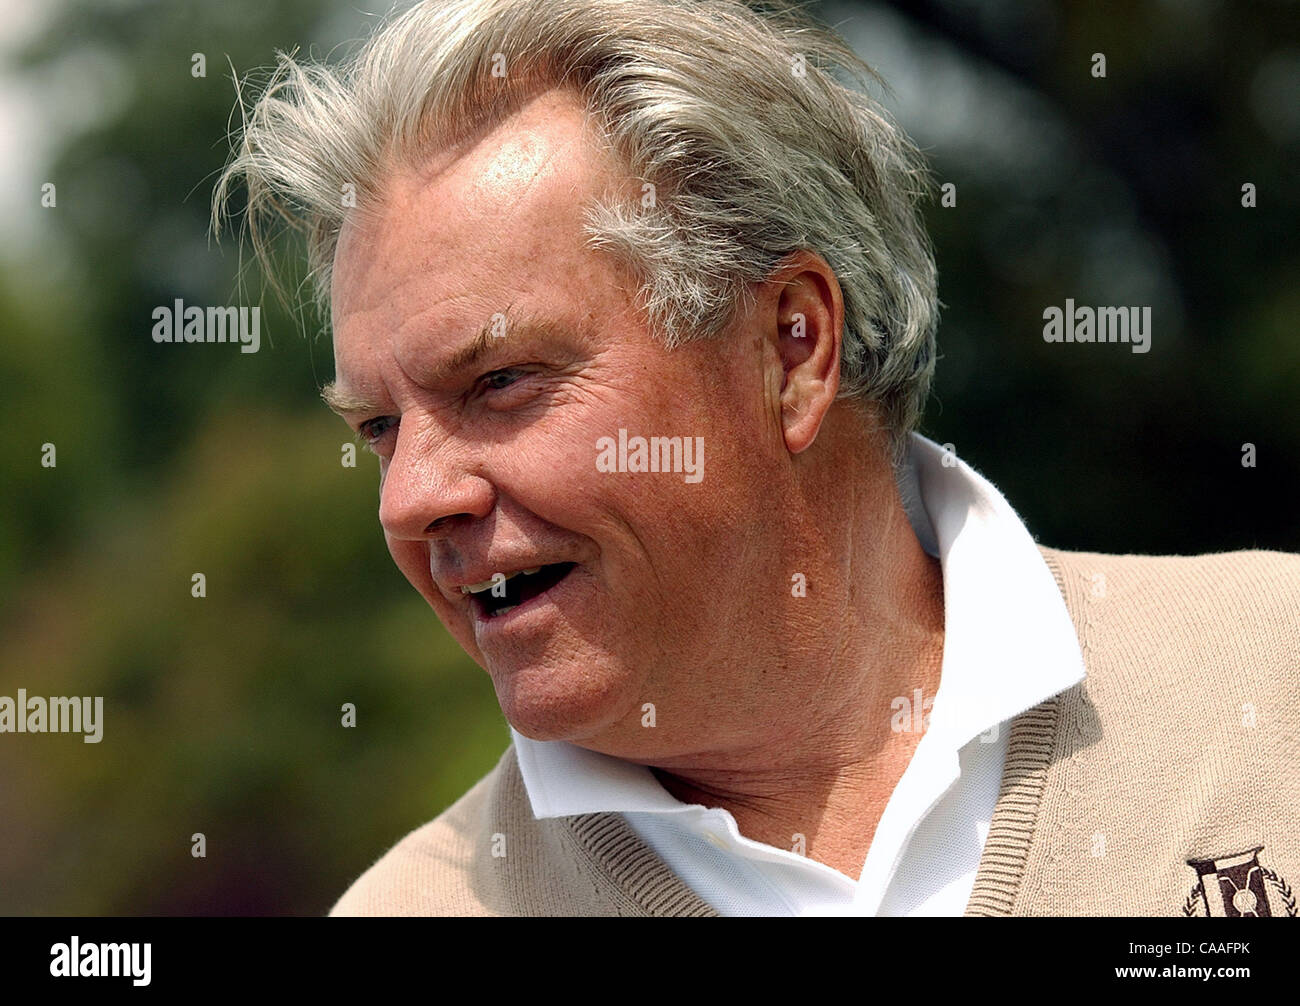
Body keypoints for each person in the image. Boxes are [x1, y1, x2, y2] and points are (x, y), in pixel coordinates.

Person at [213, 0, 1299, 916]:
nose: (409, 499)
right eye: (379, 428)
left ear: (791, 349)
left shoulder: (1271, 675)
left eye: (499, 382)